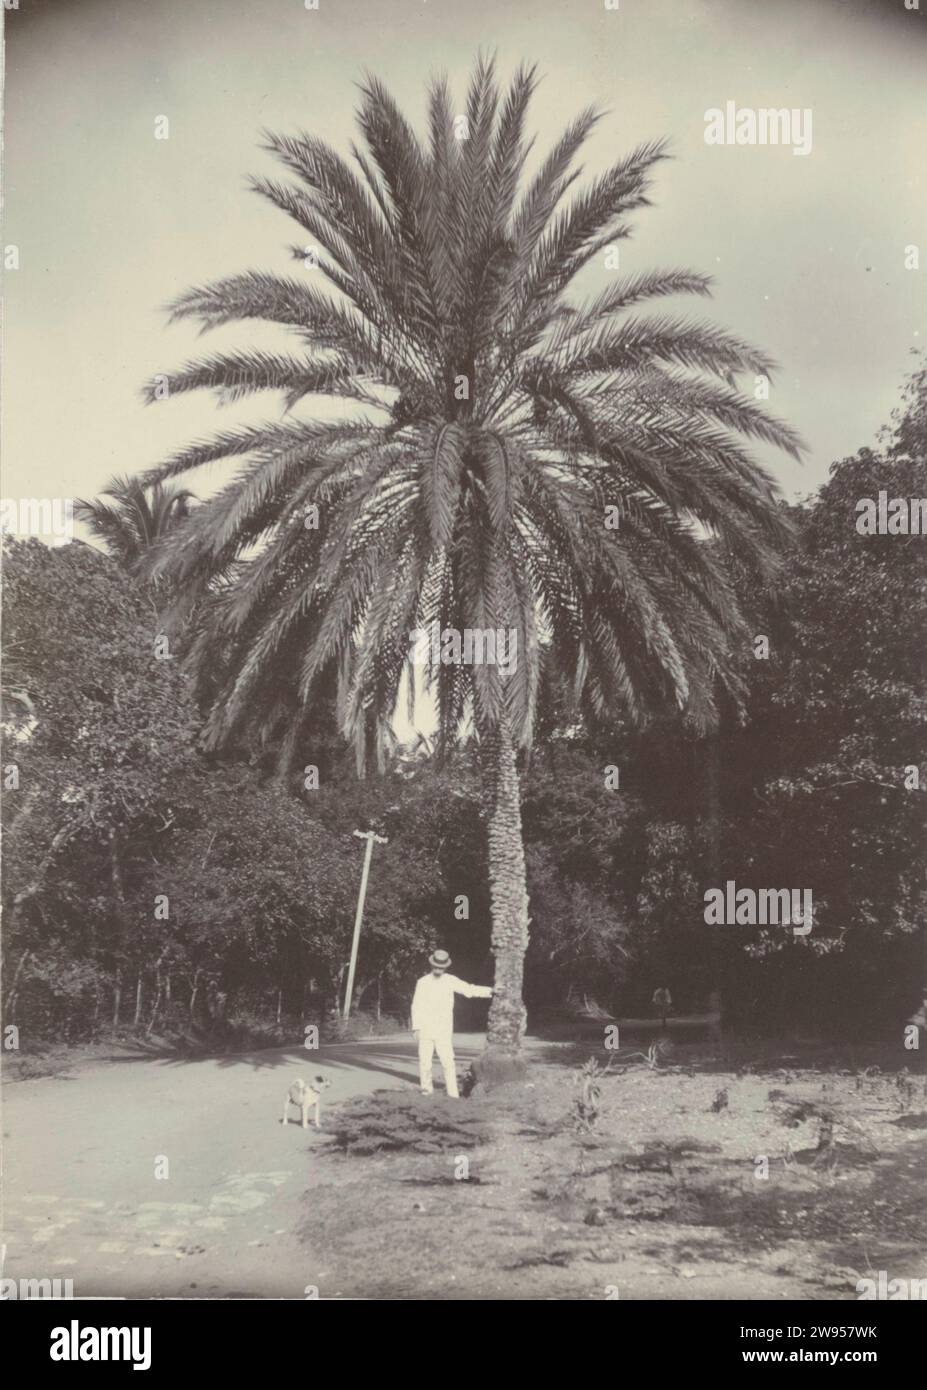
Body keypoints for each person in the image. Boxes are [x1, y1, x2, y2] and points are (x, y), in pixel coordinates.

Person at [411, 950, 492, 1098]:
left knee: (448, 1061)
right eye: (436, 966)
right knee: (425, 1063)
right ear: (431, 965)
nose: (438, 969)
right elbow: (416, 1005)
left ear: (445, 967)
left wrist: (491, 991)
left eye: (441, 967)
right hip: (426, 1028)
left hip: (443, 1028)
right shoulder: (422, 982)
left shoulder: (450, 980)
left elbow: (469, 989)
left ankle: (453, 1095)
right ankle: (426, 1093)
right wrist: (416, 1027)